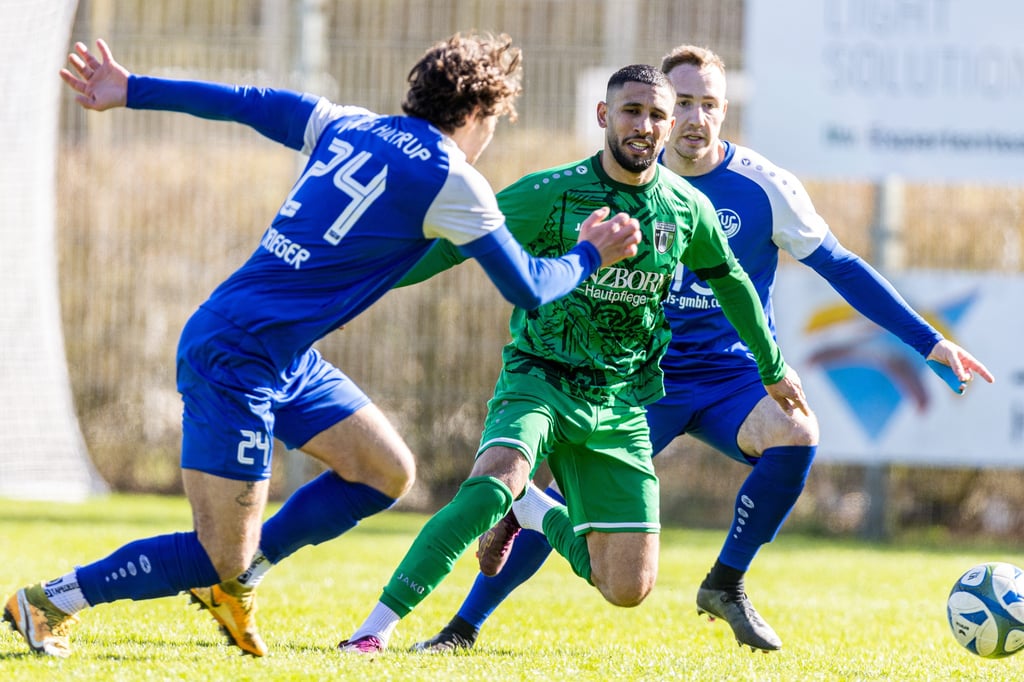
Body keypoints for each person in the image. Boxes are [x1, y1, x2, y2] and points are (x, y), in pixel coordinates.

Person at [2, 34, 646, 659]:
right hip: (238, 358)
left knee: (385, 472)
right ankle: (49, 600)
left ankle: (239, 576)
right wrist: (592, 251)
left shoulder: (348, 123)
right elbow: (532, 287)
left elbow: (246, 101)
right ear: (479, 114)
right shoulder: (452, 179)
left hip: (278, 351)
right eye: (495, 123)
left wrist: (130, 89)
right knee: (214, 553)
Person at [410, 44, 996, 654]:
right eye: (681, 102)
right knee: (553, 493)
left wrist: (928, 340)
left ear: (723, 111)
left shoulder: (764, 187)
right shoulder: (609, 181)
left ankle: (726, 583)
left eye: (708, 104)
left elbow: (841, 267)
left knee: (797, 431)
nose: (693, 118)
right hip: (633, 381)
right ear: (656, 108)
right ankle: (462, 626)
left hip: (728, 380)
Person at [334, 63, 808, 654]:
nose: (646, 126)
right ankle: (374, 631)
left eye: (658, 115)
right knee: (491, 486)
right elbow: (448, 250)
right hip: (540, 376)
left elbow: (734, 283)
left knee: (627, 587)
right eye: (632, 112)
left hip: (618, 399)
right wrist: (345, 290)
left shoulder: (686, 208)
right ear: (604, 116)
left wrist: (773, 366)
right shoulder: (550, 193)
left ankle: (536, 510)